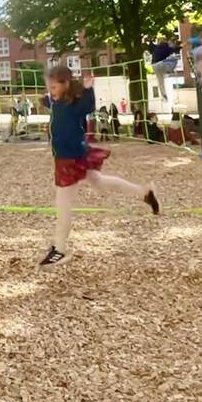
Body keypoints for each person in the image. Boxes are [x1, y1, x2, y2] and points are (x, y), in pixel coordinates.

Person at [39, 65, 159, 266]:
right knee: (98, 181)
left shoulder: (74, 104)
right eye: (49, 87)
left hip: (70, 160)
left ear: (65, 85)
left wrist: (88, 88)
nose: (50, 91)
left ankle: (60, 249)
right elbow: (52, 103)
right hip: (71, 156)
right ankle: (145, 192)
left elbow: (87, 106)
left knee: (63, 204)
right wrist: (48, 98)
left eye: (53, 87)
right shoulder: (57, 101)